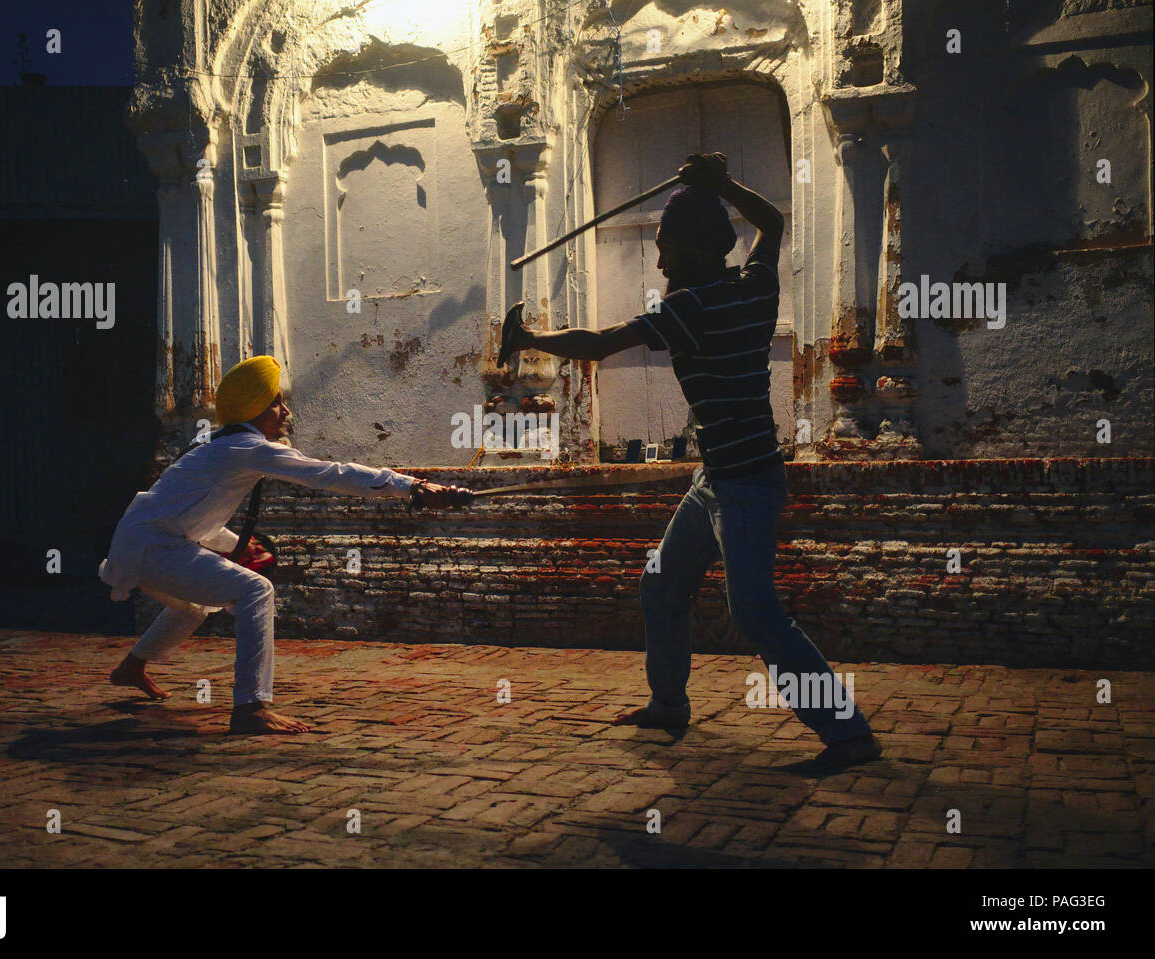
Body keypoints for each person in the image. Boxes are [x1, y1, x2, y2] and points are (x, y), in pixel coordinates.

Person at [499, 153, 880, 765]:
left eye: (664, 247)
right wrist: (724, 184)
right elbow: (773, 227)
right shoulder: (753, 289)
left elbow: (598, 345)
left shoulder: (690, 309)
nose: (657, 261)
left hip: (745, 487)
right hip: (721, 481)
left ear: (696, 249)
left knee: (755, 613)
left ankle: (849, 733)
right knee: (662, 584)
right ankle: (669, 706)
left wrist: (528, 339)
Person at [98, 355, 467, 734]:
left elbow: (189, 513)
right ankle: (250, 708)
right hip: (152, 546)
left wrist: (233, 544)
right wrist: (413, 485)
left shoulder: (218, 443)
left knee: (197, 606)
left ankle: (132, 667)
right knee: (255, 590)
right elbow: (330, 474)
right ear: (255, 407)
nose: (285, 410)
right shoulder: (248, 446)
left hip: (141, 541)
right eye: (276, 402)